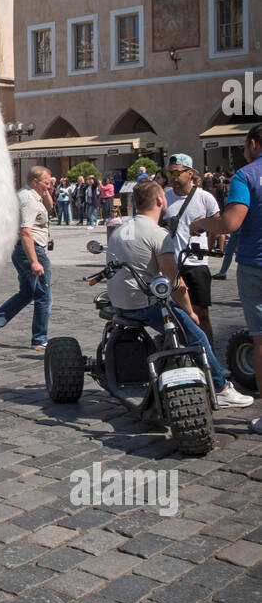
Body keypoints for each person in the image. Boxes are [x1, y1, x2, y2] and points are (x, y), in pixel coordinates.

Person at [106, 179, 251, 410]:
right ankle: (221, 388)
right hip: (144, 306)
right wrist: (190, 312)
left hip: (120, 304)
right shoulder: (157, 233)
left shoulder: (119, 229)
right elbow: (175, 282)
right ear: (160, 200)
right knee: (197, 335)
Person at [191, 124, 262, 432]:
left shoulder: (246, 176)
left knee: (260, 340)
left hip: (256, 265)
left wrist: (201, 224)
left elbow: (231, 222)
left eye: (245, 146)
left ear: (254, 144)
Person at [0, 165, 53, 353]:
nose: (50, 186)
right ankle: (39, 339)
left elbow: (49, 206)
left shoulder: (32, 194)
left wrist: (45, 192)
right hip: (32, 250)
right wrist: (35, 261)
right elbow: (26, 232)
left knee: (27, 293)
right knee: (44, 296)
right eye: (46, 182)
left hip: (22, 250)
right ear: (35, 182)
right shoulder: (27, 199)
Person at [162, 153, 219, 342]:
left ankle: (208, 358)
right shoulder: (164, 198)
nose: (173, 177)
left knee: (201, 313)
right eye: (170, 173)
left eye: (177, 173)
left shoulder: (205, 198)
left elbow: (217, 225)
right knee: (173, 314)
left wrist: (206, 247)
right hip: (171, 264)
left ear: (190, 173)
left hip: (196, 264)